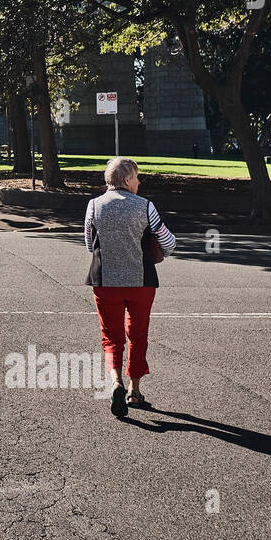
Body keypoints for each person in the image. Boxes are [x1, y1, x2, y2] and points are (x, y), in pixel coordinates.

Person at [84, 157, 176, 418]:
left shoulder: (94, 205)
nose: (139, 181)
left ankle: (115, 382)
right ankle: (134, 391)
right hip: (141, 281)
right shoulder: (146, 206)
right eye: (136, 177)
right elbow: (168, 242)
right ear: (126, 180)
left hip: (105, 281)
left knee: (111, 337)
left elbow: (90, 244)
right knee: (138, 335)